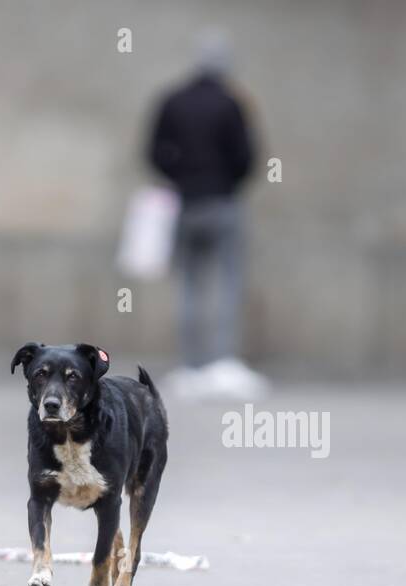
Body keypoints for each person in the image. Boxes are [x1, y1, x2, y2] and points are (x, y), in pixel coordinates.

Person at [147, 31, 268, 400]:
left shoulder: (172, 100)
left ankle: (190, 366)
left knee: (189, 286)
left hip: (185, 203)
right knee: (227, 285)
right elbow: (247, 156)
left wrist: (180, 178)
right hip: (222, 203)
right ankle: (221, 363)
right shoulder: (232, 103)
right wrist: (227, 184)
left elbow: (153, 151)